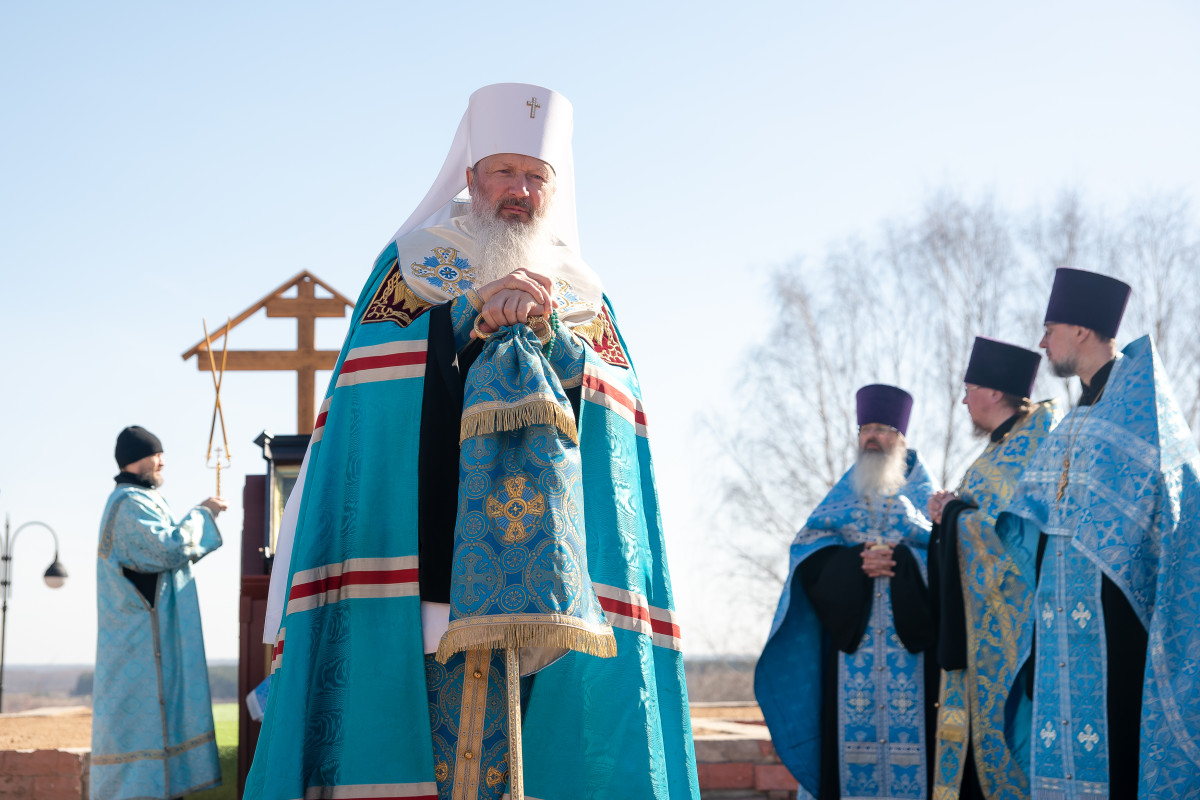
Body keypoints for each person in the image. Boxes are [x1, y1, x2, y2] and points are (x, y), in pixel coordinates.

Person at [245, 83, 699, 800]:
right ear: (470, 177)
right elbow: (373, 396)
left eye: (536, 177)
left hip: (557, 594)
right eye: (504, 171)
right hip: (427, 573)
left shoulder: (583, 293)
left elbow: (619, 428)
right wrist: (470, 322)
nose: (520, 190)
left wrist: (549, 336)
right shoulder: (412, 267)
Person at [998, 267, 1200, 798]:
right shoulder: (1074, 421)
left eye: (1050, 330)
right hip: (1058, 629)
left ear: (1082, 330)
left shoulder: (1143, 410)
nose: (1042, 343)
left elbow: (1174, 512)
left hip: (1122, 623)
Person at [756, 384, 939, 800]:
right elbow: (808, 554)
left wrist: (903, 562)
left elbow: (950, 562)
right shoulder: (842, 498)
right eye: (865, 429)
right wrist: (856, 563)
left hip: (914, 656)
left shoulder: (924, 498)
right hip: (851, 654)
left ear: (901, 438)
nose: (872, 437)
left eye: (882, 429)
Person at [925, 338, 1060, 800]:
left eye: (969, 390)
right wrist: (950, 515)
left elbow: (1010, 537)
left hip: (1016, 637)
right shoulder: (997, 452)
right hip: (977, 630)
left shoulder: (1032, 450)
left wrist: (953, 514)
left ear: (995, 392)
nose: (964, 401)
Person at [91, 425, 227, 800]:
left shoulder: (141, 499)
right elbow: (168, 549)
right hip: (138, 648)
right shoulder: (127, 504)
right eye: (157, 454)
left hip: (154, 644)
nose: (163, 461)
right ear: (137, 459)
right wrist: (204, 513)